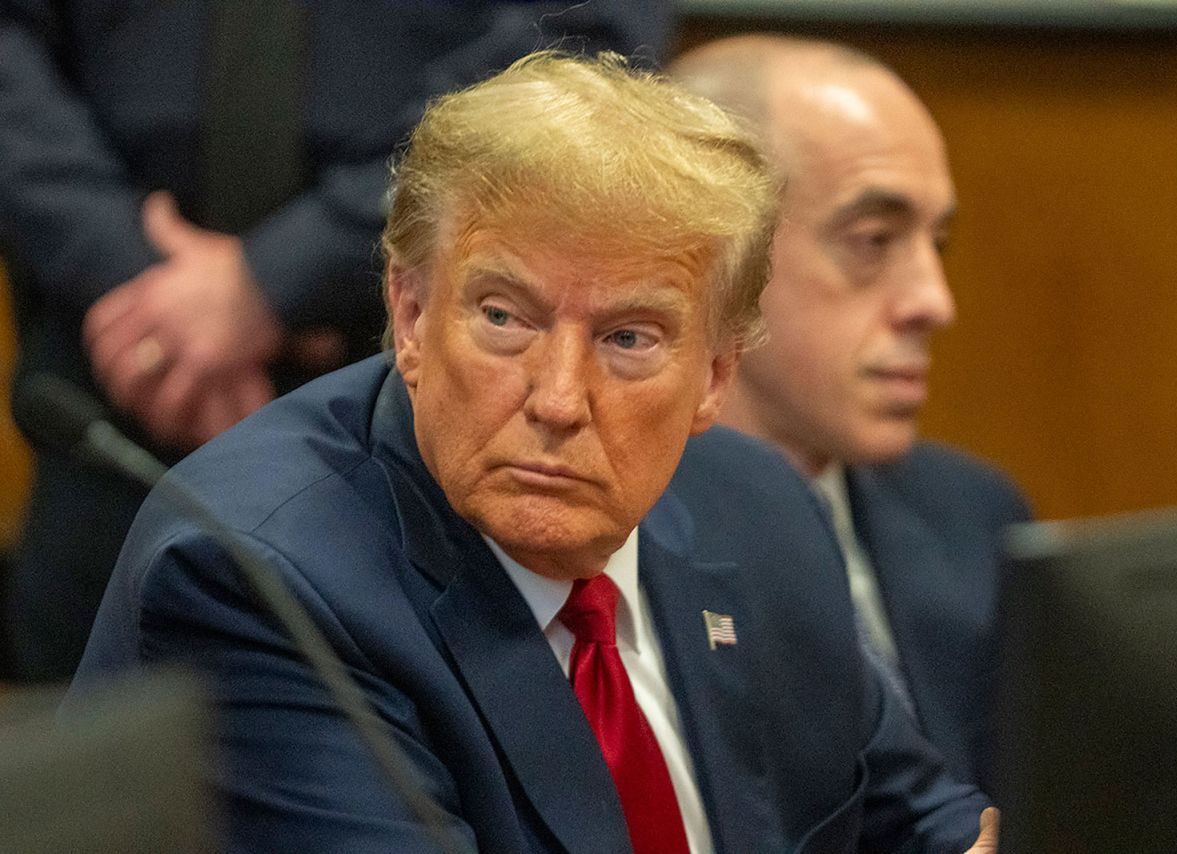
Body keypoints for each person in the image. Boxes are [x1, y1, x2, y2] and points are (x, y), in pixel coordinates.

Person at [68, 51, 999, 853]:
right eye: (505, 318)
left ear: (716, 375)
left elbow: (930, 826)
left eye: (630, 339)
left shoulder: (758, 511)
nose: (558, 400)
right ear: (412, 316)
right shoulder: (260, 582)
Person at [0, 0, 673, 680]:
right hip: (114, 382)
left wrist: (279, 276)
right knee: (89, 758)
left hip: (425, 385)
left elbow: (581, 39)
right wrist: (123, 267)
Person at [670, 35, 1032, 787]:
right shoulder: (595, 545)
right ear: (712, 255)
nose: (935, 302)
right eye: (873, 240)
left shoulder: (976, 518)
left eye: (938, 243)